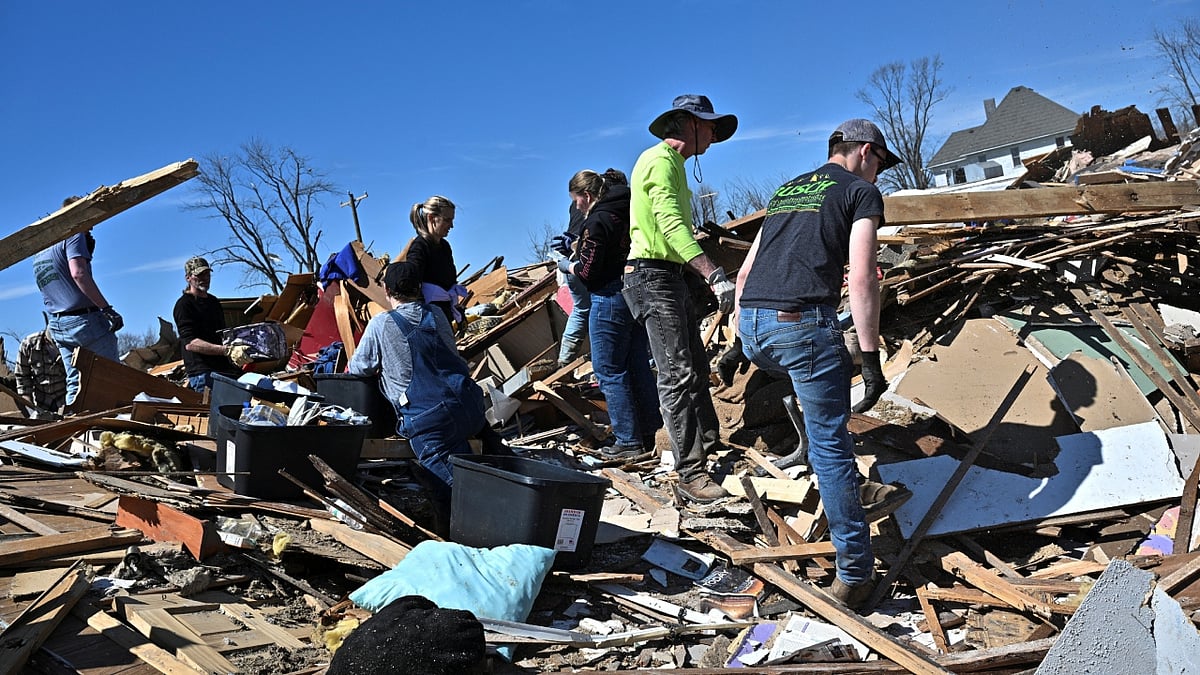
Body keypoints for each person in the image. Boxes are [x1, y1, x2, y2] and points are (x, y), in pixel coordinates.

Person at [735, 119, 911, 610]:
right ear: (864, 152)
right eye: (879, 164)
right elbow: (861, 278)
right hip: (799, 325)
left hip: (753, 328)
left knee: (808, 373)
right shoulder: (858, 192)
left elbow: (747, 271)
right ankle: (855, 573)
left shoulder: (788, 189)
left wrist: (743, 329)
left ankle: (826, 468)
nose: (878, 175)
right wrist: (872, 360)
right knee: (834, 438)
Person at [622, 94, 739, 505]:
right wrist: (713, 274)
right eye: (708, 125)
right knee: (675, 372)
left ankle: (707, 443)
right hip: (652, 276)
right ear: (688, 124)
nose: (712, 133)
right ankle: (691, 472)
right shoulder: (659, 162)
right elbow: (670, 224)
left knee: (693, 363)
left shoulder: (671, 165)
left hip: (665, 275)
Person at [348, 261, 496, 531]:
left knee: (453, 491)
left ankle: (473, 537)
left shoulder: (380, 325)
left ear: (386, 289)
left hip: (431, 422)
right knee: (478, 460)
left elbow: (359, 368)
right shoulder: (437, 315)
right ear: (419, 289)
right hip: (469, 406)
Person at [559, 168, 662, 459]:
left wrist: (569, 266)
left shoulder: (597, 220)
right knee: (638, 365)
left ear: (587, 195)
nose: (576, 207)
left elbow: (589, 272)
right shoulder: (630, 209)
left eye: (576, 200)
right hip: (634, 290)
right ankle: (651, 430)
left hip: (607, 297)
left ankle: (628, 441)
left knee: (609, 370)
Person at [32, 197, 123, 406]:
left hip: (57, 323)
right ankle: (116, 430)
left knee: (76, 383)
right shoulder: (74, 233)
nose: (92, 226)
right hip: (83, 320)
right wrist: (107, 309)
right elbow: (78, 273)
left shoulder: (41, 248)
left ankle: (75, 431)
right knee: (113, 380)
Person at [173, 256, 251, 391]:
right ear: (188, 278)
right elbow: (190, 343)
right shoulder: (184, 305)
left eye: (207, 274)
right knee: (212, 411)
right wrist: (227, 351)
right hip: (203, 373)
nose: (205, 278)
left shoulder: (214, 302)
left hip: (225, 370)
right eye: (199, 274)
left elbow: (222, 335)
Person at [405, 195, 467, 327]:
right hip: (430, 321)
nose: (451, 225)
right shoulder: (419, 247)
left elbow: (449, 282)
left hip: (444, 317)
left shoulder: (445, 247)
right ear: (432, 218)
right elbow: (413, 288)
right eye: (447, 220)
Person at [552, 203, 590, 368]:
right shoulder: (605, 200)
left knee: (581, 310)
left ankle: (564, 361)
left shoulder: (576, 203)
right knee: (600, 309)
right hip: (585, 257)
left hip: (569, 259)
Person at [14, 325, 67, 417]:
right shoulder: (28, 344)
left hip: (67, 403)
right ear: (46, 339)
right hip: (42, 404)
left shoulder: (71, 346)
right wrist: (32, 411)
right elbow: (23, 380)